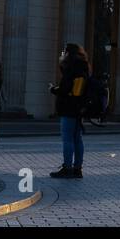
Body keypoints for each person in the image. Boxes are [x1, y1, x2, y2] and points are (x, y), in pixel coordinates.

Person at [49, 43, 90, 178]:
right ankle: (77, 168)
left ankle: (67, 168)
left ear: (68, 53)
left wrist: (52, 89)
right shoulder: (83, 67)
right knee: (77, 139)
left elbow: (64, 89)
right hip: (79, 108)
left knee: (67, 139)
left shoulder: (70, 69)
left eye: (64, 52)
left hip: (68, 108)